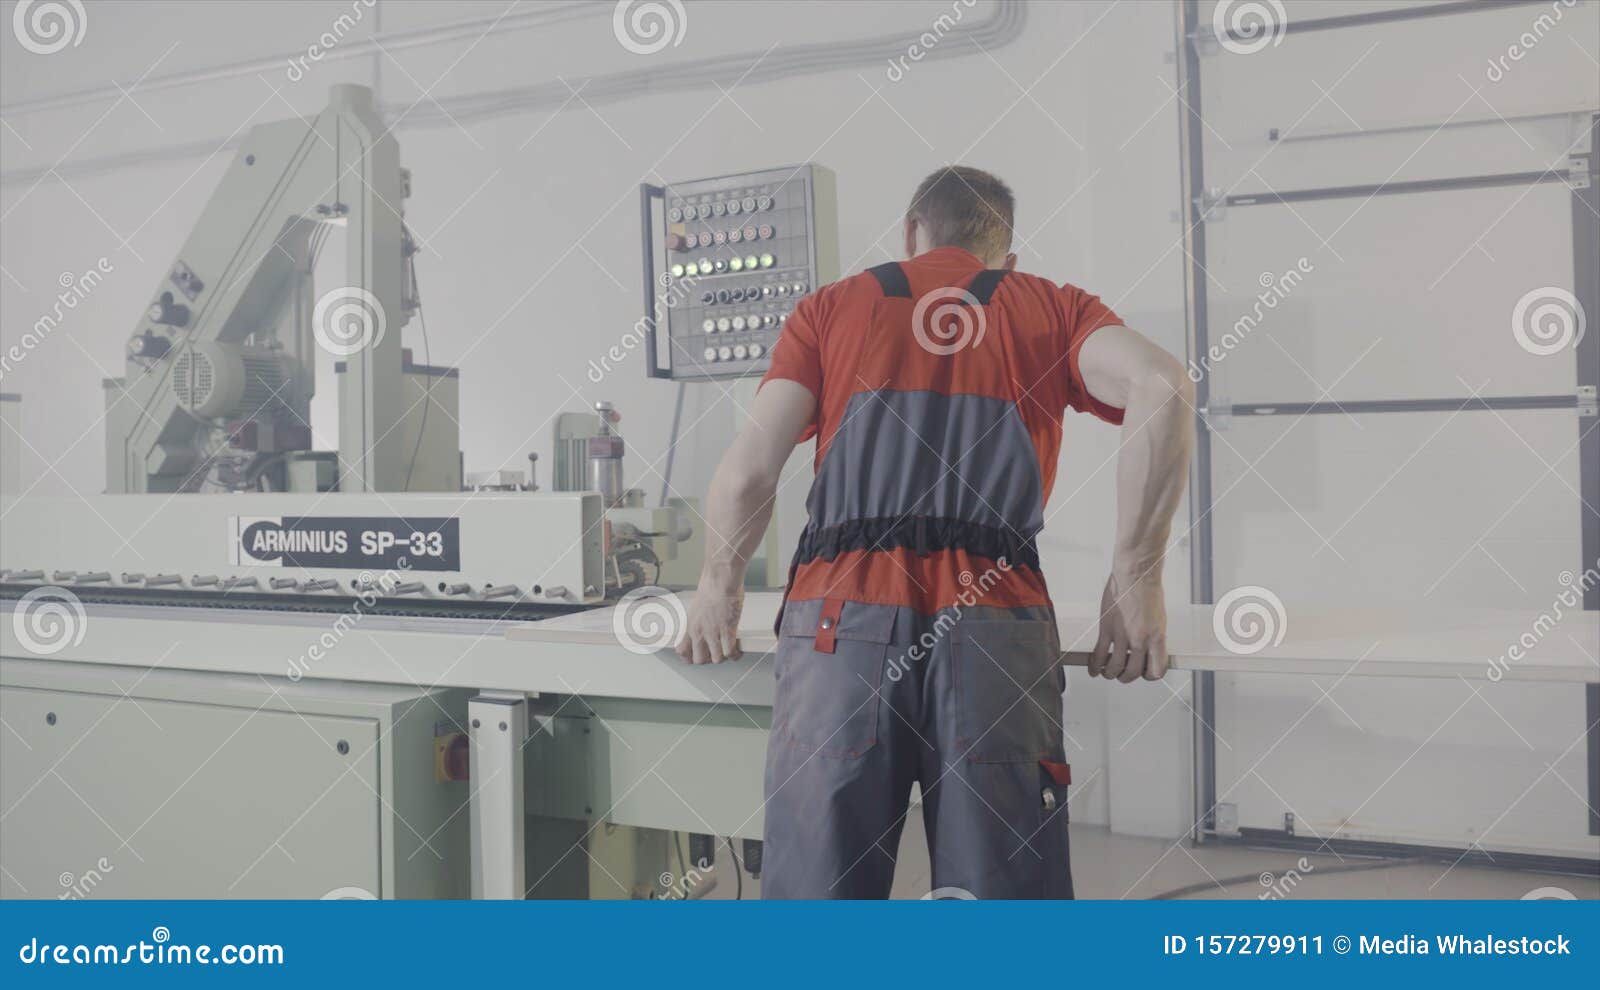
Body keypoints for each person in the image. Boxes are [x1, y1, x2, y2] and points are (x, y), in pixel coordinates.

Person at [676, 166, 1193, 898]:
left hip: (838, 626)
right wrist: (1137, 577)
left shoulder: (828, 310)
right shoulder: (1050, 307)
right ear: (1004, 258)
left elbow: (747, 474)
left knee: (819, 899)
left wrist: (716, 588)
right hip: (994, 627)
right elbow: (1163, 385)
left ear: (910, 233)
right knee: (1000, 900)